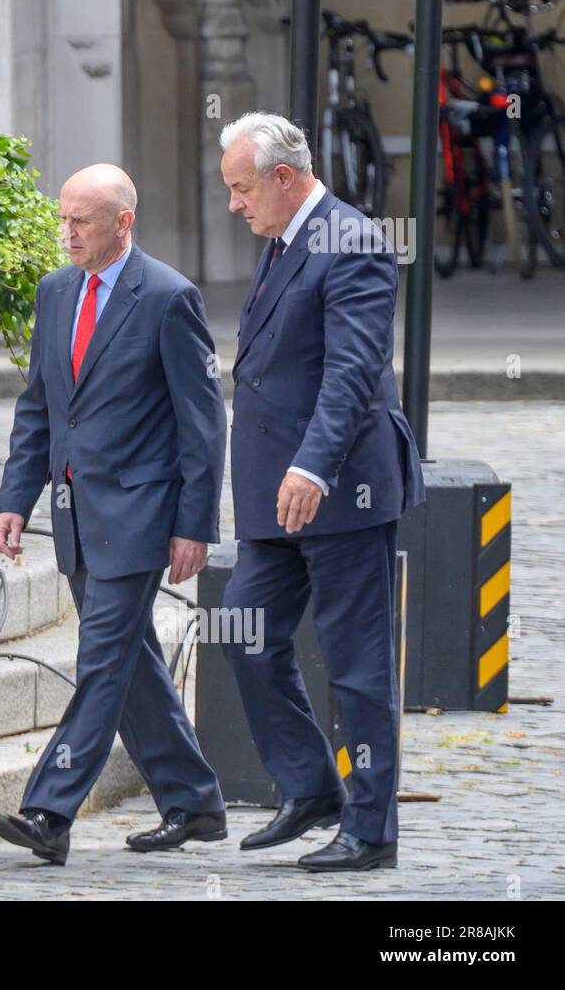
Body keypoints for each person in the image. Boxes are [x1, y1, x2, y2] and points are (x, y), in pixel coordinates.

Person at [0, 163, 229, 865]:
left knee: (99, 660)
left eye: (80, 221)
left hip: (140, 514)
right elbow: (39, 405)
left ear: (123, 221)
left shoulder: (167, 296)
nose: (65, 232)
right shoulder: (54, 290)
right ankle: (194, 801)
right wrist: (14, 499)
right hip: (73, 512)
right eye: (61, 218)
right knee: (132, 664)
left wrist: (194, 524)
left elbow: (203, 422)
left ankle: (50, 809)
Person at [216, 111, 425, 872]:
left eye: (242, 188)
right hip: (278, 498)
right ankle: (311, 785)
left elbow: (351, 372)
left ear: (283, 176)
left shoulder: (353, 239)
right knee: (240, 625)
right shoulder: (283, 241)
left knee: (357, 665)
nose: (235, 204)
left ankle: (371, 830)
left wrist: (312, 466)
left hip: (341, 491)